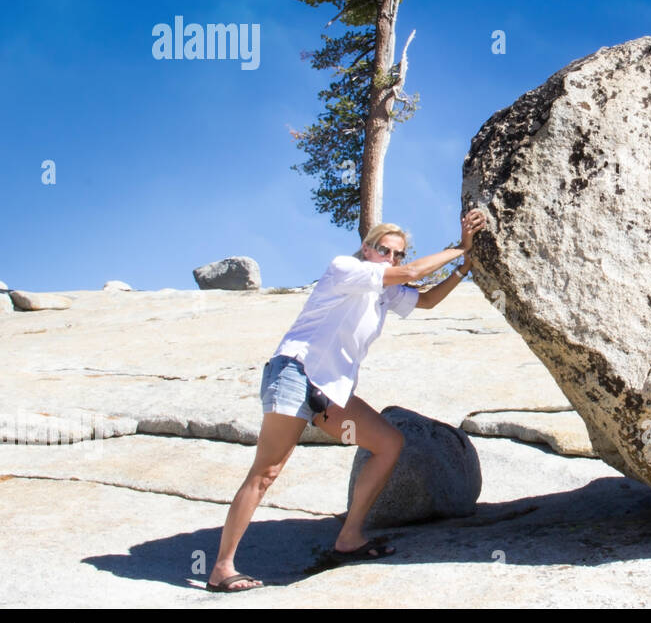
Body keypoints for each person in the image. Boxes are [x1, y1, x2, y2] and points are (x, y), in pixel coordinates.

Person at [205, 209, 488, 592]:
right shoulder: (345, 269)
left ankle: (349, 538)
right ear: (367, 250)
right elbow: (412, 275)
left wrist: (463, 267)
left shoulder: (385, 293)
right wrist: (459, 247)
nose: (392, 260)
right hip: (295, 374)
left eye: (398, 254)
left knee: (389, 443)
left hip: (330, 391)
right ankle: (222, 568)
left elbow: (427, 301)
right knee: (266, 472)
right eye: (384, 250)